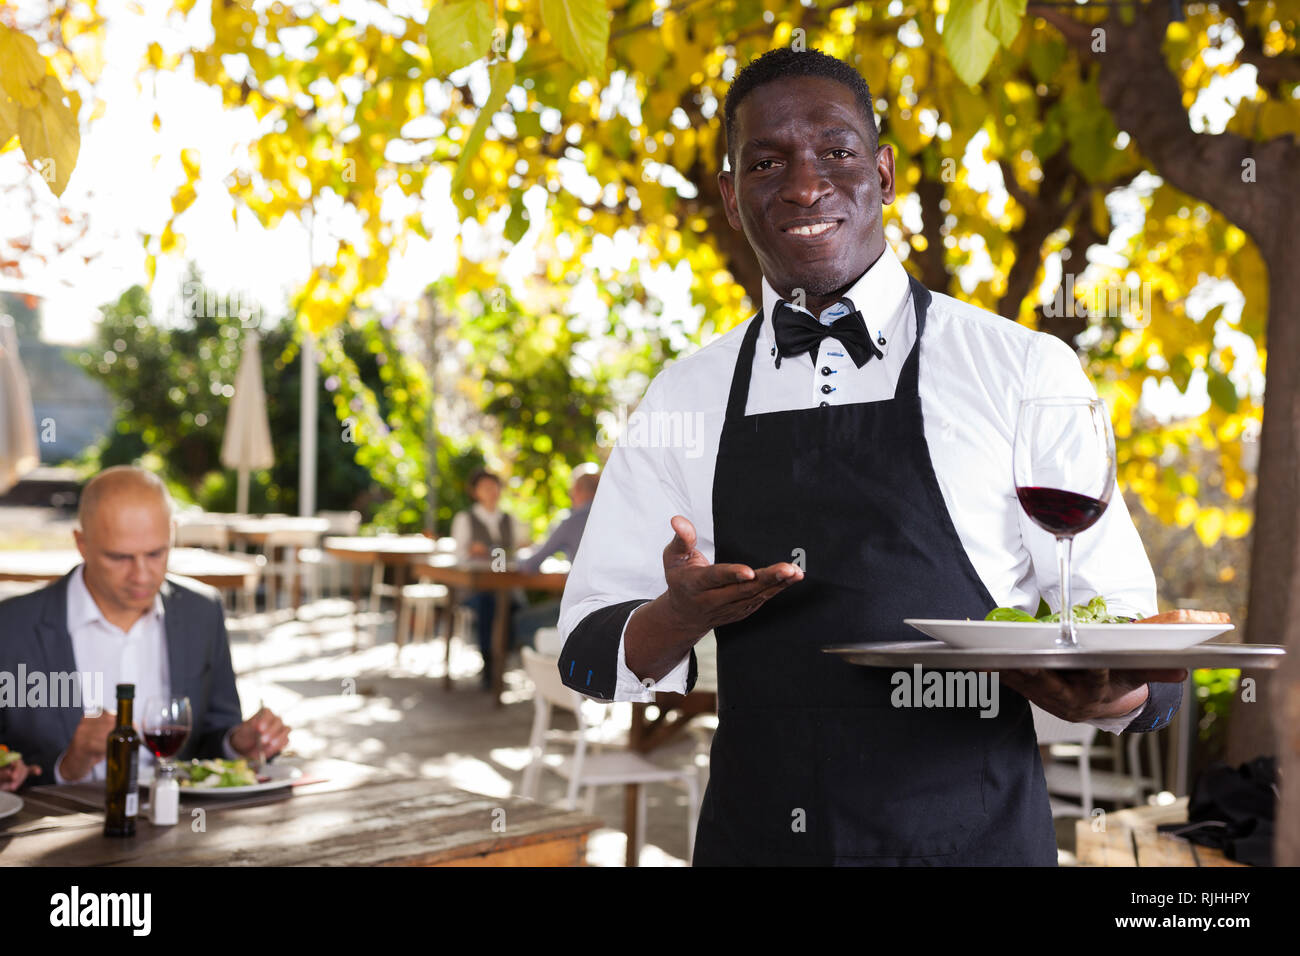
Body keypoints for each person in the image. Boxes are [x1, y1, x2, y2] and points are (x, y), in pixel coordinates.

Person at [556, 48, 1188, 866]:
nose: (805, 185)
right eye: (766, 162)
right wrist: (678, 615)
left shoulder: (1024, 369)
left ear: (884, 173)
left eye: (837, 153)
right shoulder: (685, 395)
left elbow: (1138, 648)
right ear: (729, 195)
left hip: (972, 847)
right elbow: (585, 650)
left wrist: (1109, 692)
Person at [0, 466, 290, 789]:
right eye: (119, 558)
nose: (141, 575)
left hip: (178, 828)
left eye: (156, 553)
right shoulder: (11, 628)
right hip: (53, 831)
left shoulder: (201, 612)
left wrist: (237, 744)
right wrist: (66, 766)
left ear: (172, 533)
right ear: (82, 544)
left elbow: (214, 733)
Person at [450, 469, 530, 687]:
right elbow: (460, 556)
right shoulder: (466, 519)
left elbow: (516, 552)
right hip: (475, 587)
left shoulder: (508, 519)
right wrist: (483, 552)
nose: (491, 492)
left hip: (505, 586)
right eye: (485, 487)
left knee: (514, 608)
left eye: (494, 487)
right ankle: (489, 662)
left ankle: (502, 660)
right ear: (475, 492)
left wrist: (490, 550)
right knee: (488, 604)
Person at [512, 465, 599, 650]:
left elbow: (530, 565)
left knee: (520, 622)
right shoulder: (615, 517)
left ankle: (553, 672)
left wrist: (515, 556)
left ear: (575, 490)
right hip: (619, 609)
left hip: (585, 610)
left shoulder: (572, 521)